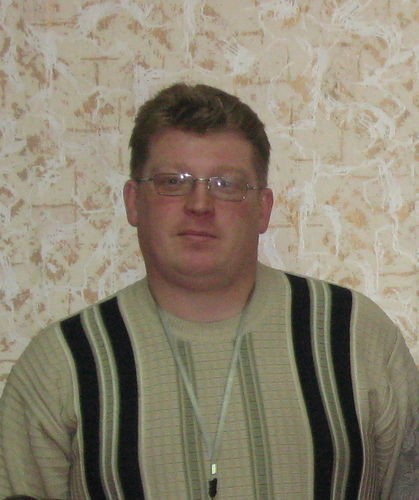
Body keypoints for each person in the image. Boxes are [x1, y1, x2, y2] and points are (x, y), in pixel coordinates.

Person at [0, 83, 417, 500]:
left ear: (263, 209)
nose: (199, 204)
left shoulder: (356, 337)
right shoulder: (62, 363)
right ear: (133, 201)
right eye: (172, 181)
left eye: (226, 184)